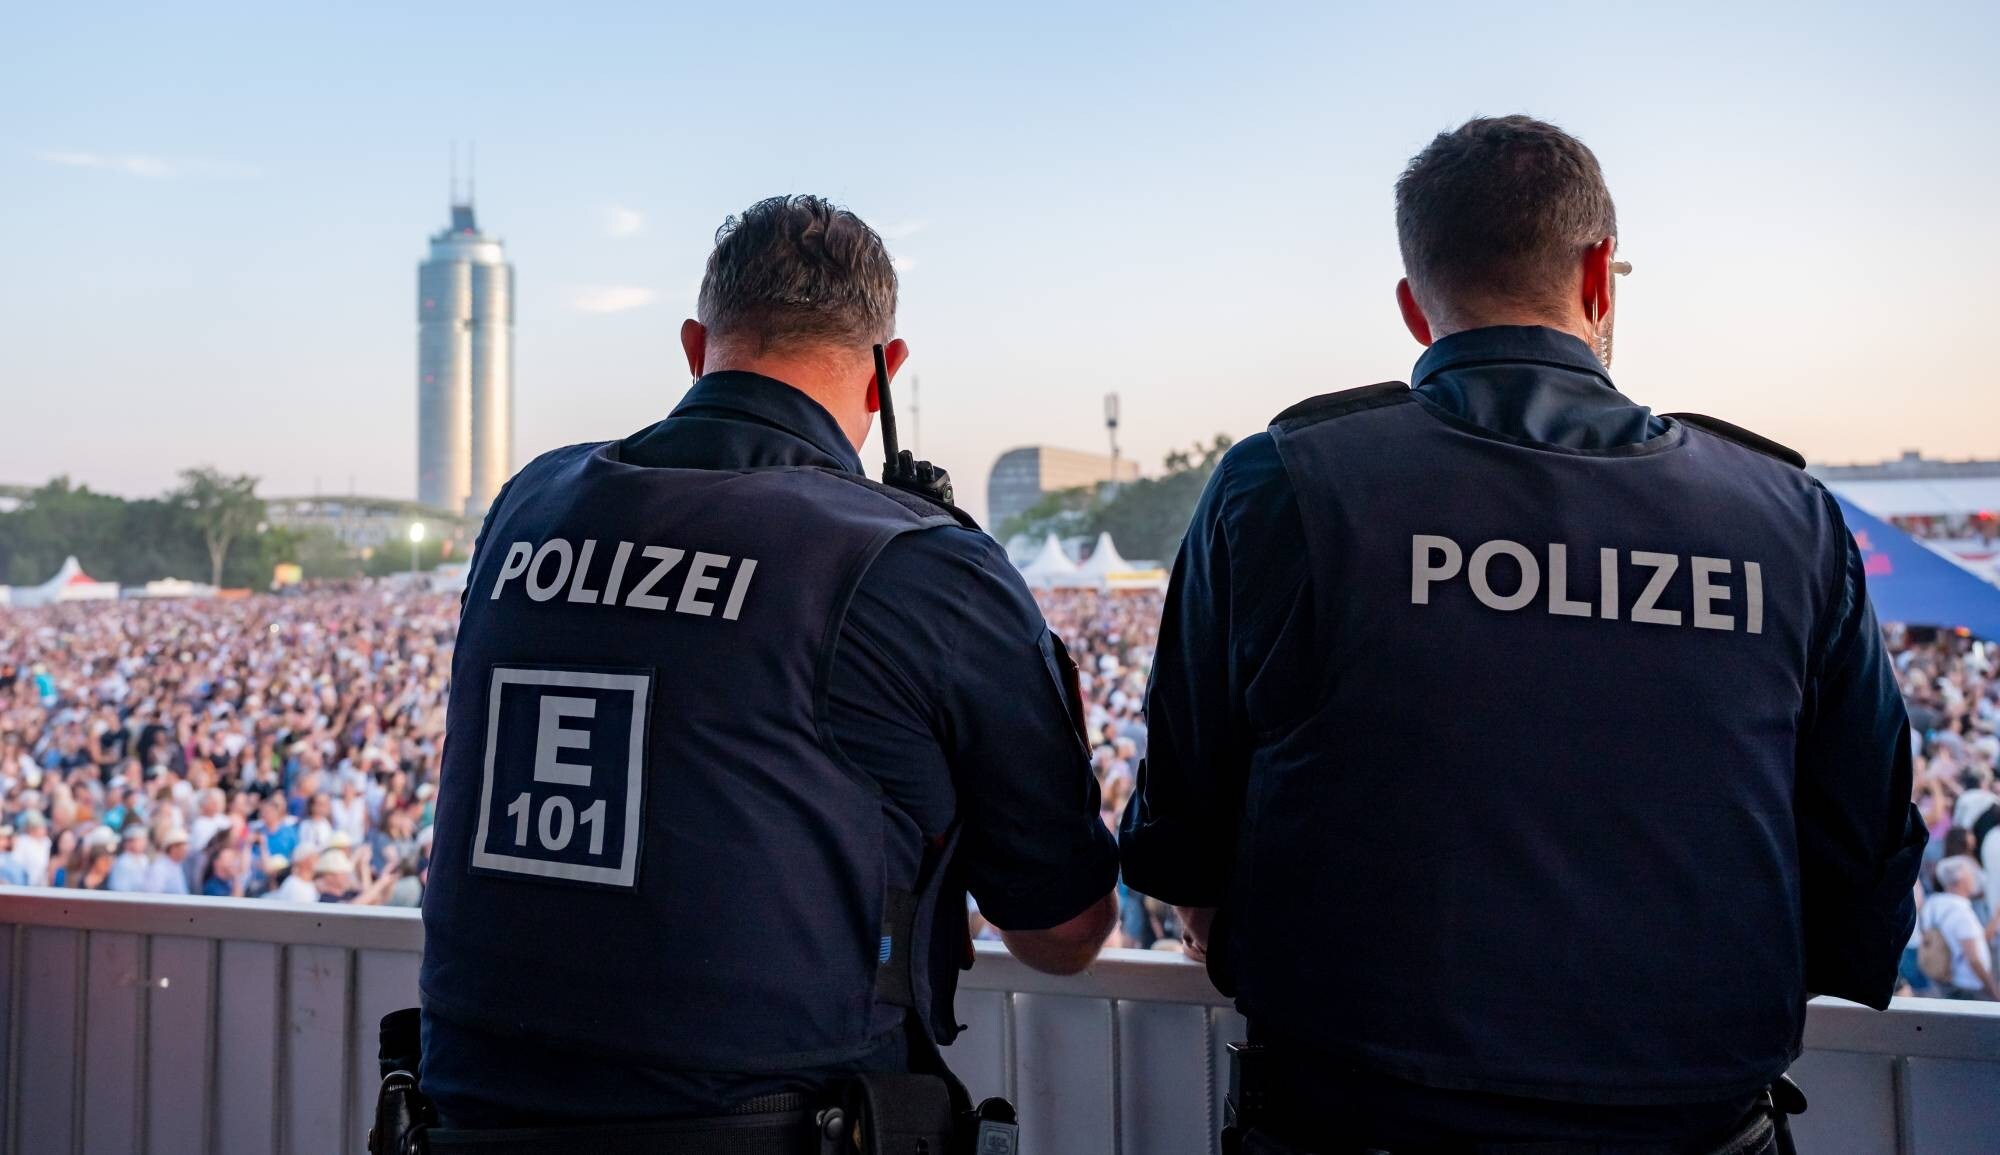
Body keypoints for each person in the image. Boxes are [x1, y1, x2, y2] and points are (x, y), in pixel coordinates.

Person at [1120, 116, 1927, 1154]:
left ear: (1416, 308)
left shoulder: (1285, 483)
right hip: (1691, 1118)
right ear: (1598, 274)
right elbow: (1864, 848)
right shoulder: (1782, 513)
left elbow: (1182, 817)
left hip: (1355, 1114)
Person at [417, 195, 1118, 1148]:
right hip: (770, 1124)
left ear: (696, 343)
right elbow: (1062, 930)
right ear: (887, 374)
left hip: (466, 1115)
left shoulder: (526, 507)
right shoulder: (915, 560)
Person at [1919, 856, 1999, 1000]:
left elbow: (1978, 940)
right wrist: (1993, 990)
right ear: (1960, 881)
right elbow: (1974, 959)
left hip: (1945, 980)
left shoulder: (1933, 904)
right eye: (1971, 875)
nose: (1975, 879)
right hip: (1969, 986)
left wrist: (1995, 919)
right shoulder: (1962, 914)